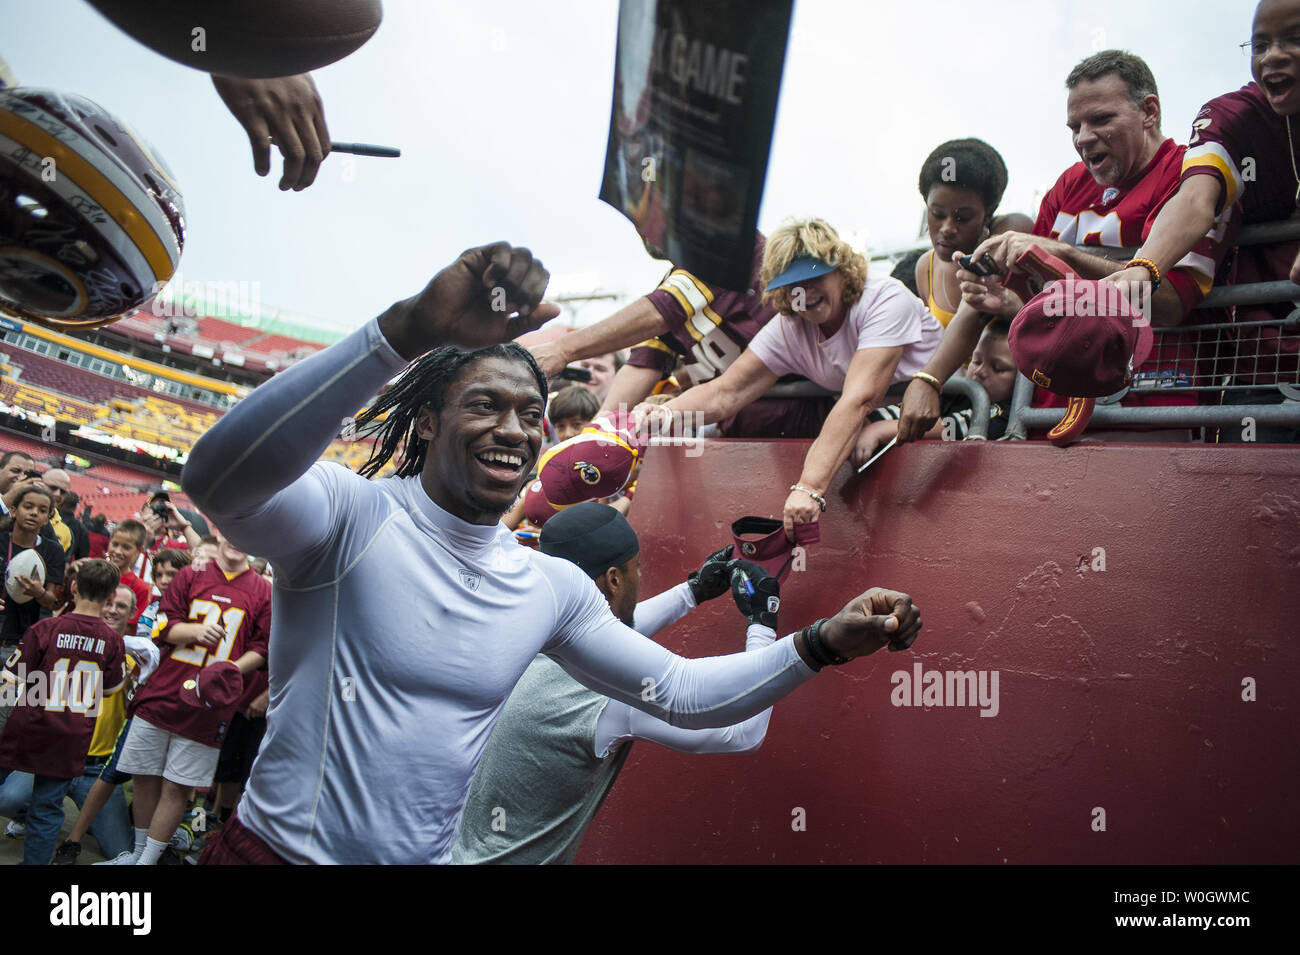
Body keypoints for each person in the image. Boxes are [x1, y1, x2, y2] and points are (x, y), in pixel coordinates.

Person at [180, 241, 921, 865]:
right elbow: (218, 478)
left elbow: (688, 695)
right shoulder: (349, 514)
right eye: (484, 404)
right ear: (429, 420)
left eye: (530, 413)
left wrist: (820, 644)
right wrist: (401, 333)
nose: (514, 427)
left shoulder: (548, 584)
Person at [896, 50, 1239, 444]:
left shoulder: (1189, 175)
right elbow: (1008, 298)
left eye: (1101, 119)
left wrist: (1062, 255)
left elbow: (1169, 304)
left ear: (1149, 111)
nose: (1083, 137)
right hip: (1050, 415)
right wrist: (930, 379)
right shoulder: (1068, 186)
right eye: (1074, 126)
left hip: (1153, 409)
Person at [454, 505, 781, 864]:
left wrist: (694, 591)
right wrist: (762, 622)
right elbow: (742, 733)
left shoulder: (528, 639)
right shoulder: (602, 695)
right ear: (613, 579)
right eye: (636, 567)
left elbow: (604, 639)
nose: (640, 576)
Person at [634, 219, 943, 540]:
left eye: (815, 277)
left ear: (842, 269)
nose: (805, 293)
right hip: (879, 430)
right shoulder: (790, 327)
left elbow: (859, 400)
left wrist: (809, 488)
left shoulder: (883, 299)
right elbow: (725, 392)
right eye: (792, 284)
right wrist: (666, 413)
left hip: (947, 413)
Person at [1104, 0, 1300, 442]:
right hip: (1263, 362)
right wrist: (1143, 267)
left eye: (1294, 40)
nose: (1273, 56)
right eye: (1262, 43)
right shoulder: (1234, 116)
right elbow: (1195, 200)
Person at [530, 235, 834, 438]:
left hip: (808, 427)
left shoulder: (730, 247)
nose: (644, 229)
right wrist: (595, 435)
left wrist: (562, 350)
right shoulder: (675, 277)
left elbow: (663, 310)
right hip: (737, 433)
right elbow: (645, 361)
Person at [108, 530, 269, 865]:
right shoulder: (189, 574)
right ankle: (137, 853)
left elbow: (262, 648)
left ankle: (148, 859)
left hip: (210, 706)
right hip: (165, 690)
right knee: (144, 774)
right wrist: (194, 631)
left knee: (177, 786)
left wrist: (228, 672)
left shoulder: (263, 592)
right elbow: (162, 626)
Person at [58, 551, 189, 865]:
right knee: (10, 797)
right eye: (109, 603)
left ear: (133, 613)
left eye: (121, 606)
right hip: (57, 757)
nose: (112, 610)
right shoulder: (65, 636)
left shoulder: (140, 652)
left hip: (99, 763)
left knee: (120, 846)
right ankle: (37, 819)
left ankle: (151, 842)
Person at [0, 558, 126, 865]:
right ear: (110, 596)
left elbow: (10, 680)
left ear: (73, 587)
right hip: (70, 737)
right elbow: (110, 690)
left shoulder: (45, 628)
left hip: (28, 727)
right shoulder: (113, 641)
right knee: (46, 811)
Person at [855, 317, 1019, 462]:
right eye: (976, 361)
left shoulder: (1007, 413)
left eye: (998, 368)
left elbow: (951, 428)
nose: (980, 372)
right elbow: (908, 411)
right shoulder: (956, 393)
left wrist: (877, 430)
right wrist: (864, 421)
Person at [913, 139, 1016, 329]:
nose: (947, 228)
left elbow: (968, 322)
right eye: (937, 214)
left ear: (989, 213)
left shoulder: (1010, 233)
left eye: (963, 218)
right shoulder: (925, 269)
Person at [0, 485, 66, 651]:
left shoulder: (53, 551)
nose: (34, 513)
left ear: (47, 518)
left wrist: (40, 593)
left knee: (17, 677)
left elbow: (51, 601)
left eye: (42, 510)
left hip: (24, 640)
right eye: (28, 507)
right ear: (14, 511)